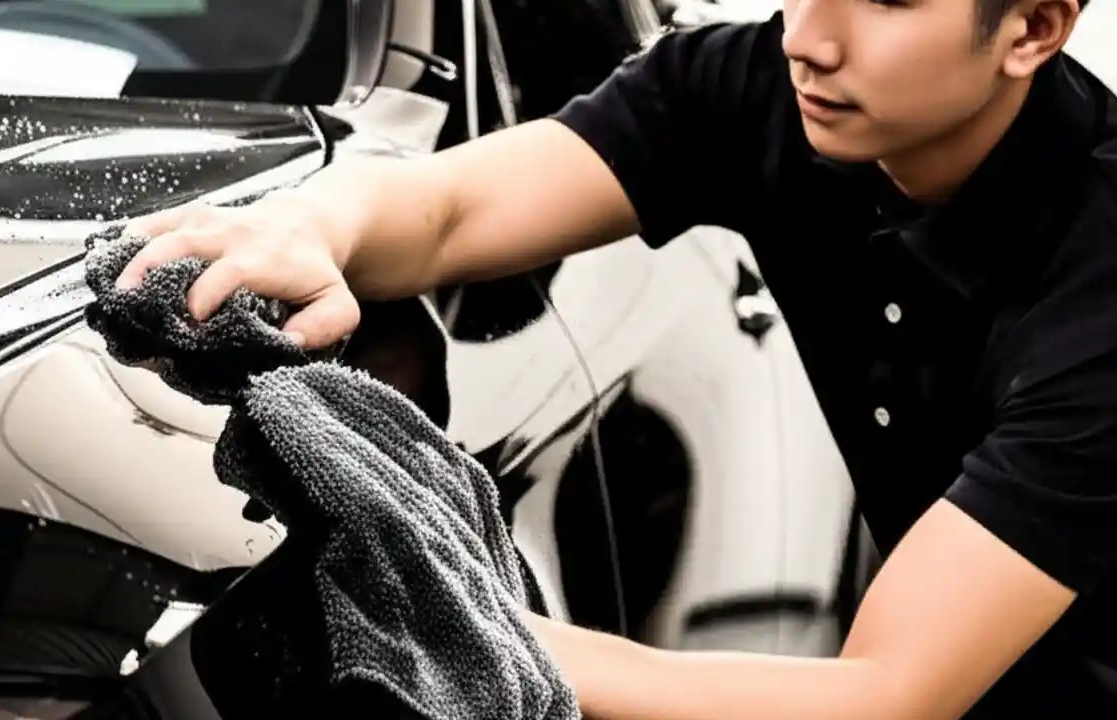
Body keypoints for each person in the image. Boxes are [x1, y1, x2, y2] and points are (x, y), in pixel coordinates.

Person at [115, 0, 1115, 716]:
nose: (810, 38)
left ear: (1030, 29)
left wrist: (454, 624)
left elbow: (886, 695)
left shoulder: (1099, 281)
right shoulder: (755, 84)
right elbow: (452, 208)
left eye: (886, 0)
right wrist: (313, 228)